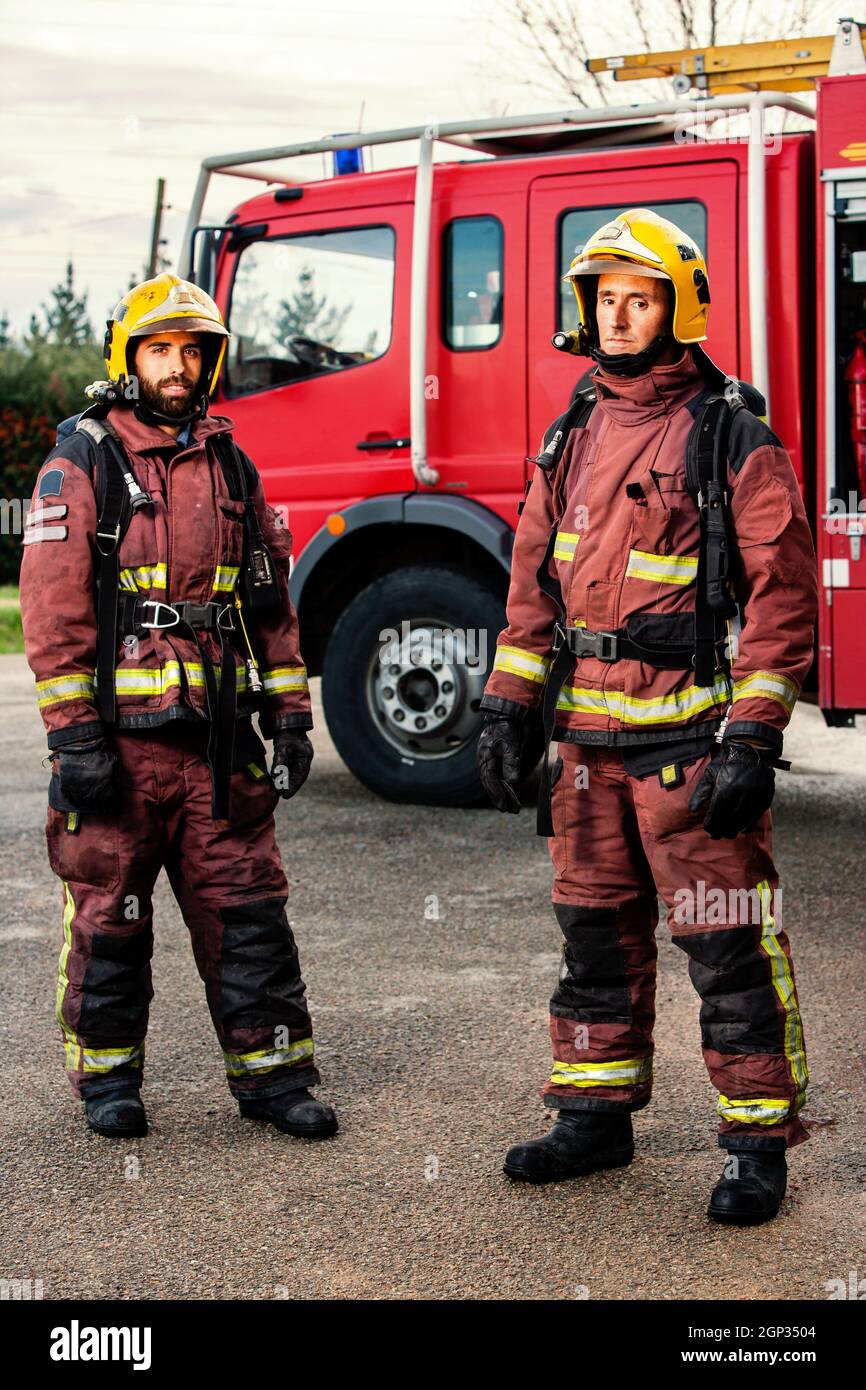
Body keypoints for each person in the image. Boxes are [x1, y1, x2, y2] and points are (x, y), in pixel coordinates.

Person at [477, 209, 817, 1224]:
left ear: (678, 306)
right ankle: (592, 1117)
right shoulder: (569, 429)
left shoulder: (727, 432)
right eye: (604, 298)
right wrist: (506, 706)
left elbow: (781, 597)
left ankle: (756, 1143)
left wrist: (752, 734)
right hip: (583, 754)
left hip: (683, 746)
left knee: (725, 944)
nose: (618, 316)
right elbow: (531, 583)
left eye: (639, 297)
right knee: (592, 943)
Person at [20, 273, 337, 1141]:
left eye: (194, 351)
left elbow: (267, 601)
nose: (180, 365)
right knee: (111, 922)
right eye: (162, 349)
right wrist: (75, 739)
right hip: (117, 753)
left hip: (218, 749)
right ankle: (110, 1085)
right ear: (131, 357)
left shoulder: (232, 464)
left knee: (250, 915)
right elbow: (52, 615)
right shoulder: (80, 462)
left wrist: (291, 713)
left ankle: (275, 1080)